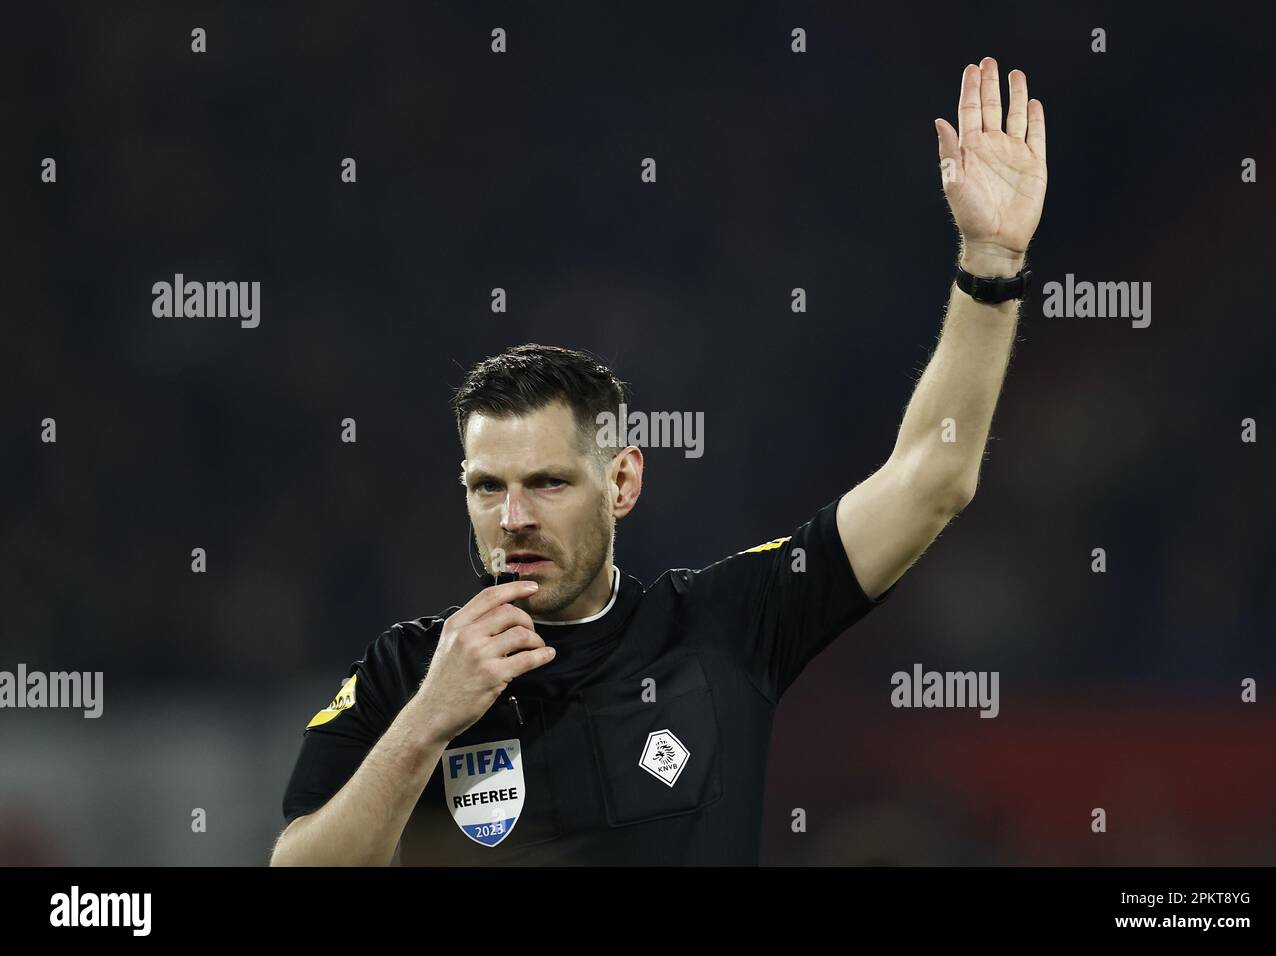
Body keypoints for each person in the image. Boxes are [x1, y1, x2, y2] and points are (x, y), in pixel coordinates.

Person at [270, 56, 1046, 866]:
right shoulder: (409, 670)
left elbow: (933, 478)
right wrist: (426, 723)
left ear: (623, 480)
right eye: (486, 488)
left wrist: (990, 262)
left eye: (548, 483)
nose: (513, 519)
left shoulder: (722, 629)